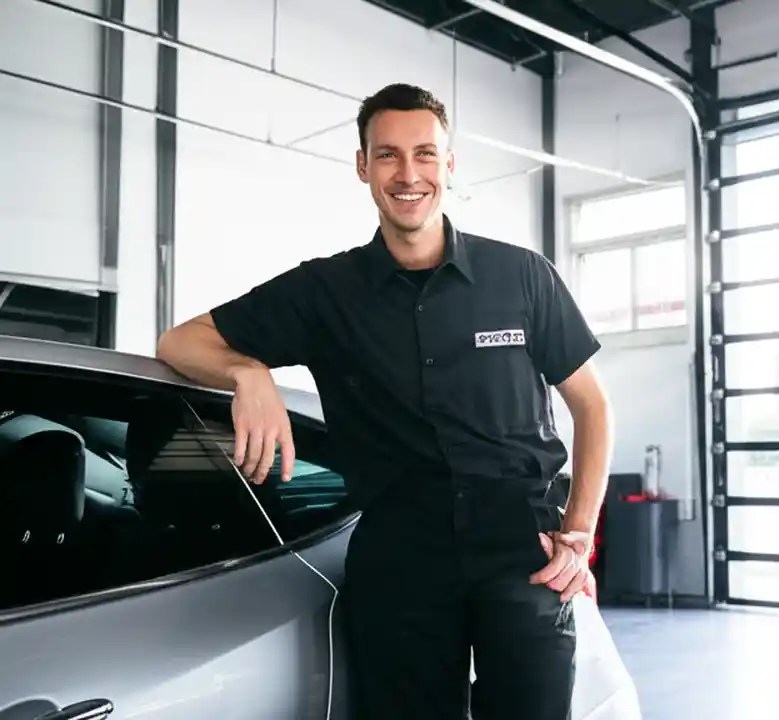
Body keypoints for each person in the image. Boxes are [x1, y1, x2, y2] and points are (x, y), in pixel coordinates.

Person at [156, 82, 613, 719]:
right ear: (363, 165)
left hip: (522, 552)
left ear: (448, 166)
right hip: (400, 560)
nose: (408, 174)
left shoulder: (523, 276)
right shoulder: (325, 292)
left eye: (425, 154)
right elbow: (180, 342)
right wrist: (246, 371)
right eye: (389, 155)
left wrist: (580, 534)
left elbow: (592, 406)